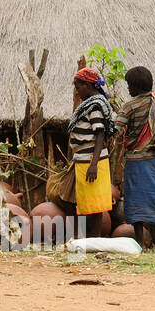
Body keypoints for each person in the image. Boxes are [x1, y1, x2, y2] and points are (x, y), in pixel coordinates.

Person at [114, 66, 155, 249]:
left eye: (128, 84)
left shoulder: (129, 106)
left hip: (135, 162)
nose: (127, 88)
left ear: (135, 85)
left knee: (135, 201)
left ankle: (140, 243)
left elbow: (116, 129)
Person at [65, 66, 115, 236]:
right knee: (87, 203)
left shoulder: (94, 107)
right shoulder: (89, 105)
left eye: (78, 87)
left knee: (95, 205)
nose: (77, 91)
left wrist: (93, 164)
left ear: (89, 85)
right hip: (83, 160)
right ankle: (89, 239)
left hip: (92, 161)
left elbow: (100, 135)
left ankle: (94, 239)